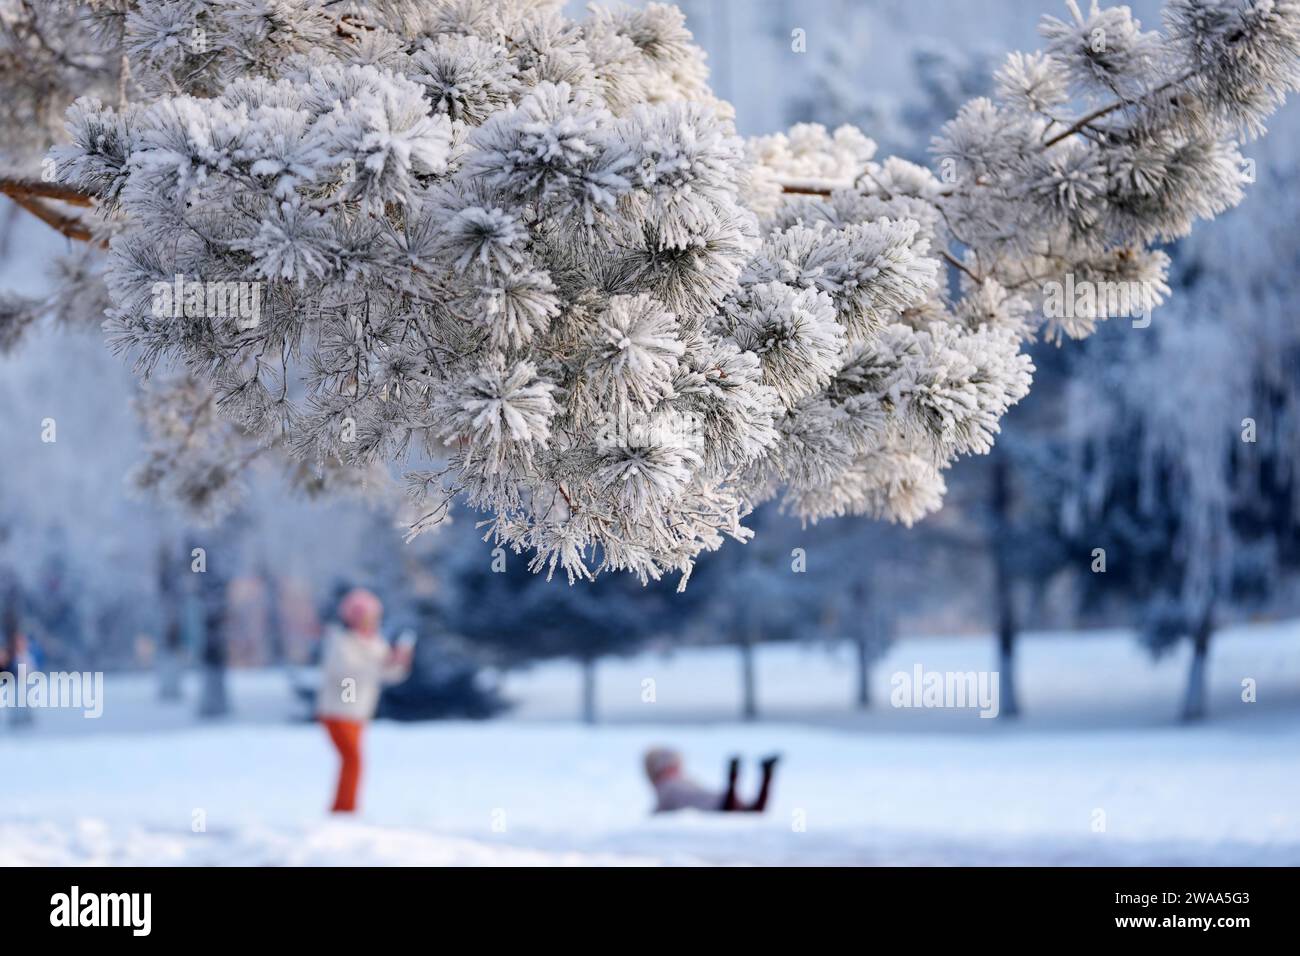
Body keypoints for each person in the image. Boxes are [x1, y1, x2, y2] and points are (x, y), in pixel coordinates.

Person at [316, 589, 412, 813]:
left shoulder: (375, 643)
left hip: (359, 713)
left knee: (353, 761)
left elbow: (389, 676)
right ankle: (344, 810)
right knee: (353, 760)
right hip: (337, 712)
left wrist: (399, 662)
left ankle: (345, 809)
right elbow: (345, 673)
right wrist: (380, 665)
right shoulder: (341, 641)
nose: (372, 622)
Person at [644, 747, 780, 813]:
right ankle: (763, 773)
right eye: (673, 766)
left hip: (718, 801)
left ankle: (765, 772)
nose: (678, 769)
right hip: (715, 806)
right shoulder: (665, 786)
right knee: (755, 811)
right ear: (660, 769)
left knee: (755, 811)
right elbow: (660, 808)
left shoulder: (684, 780)